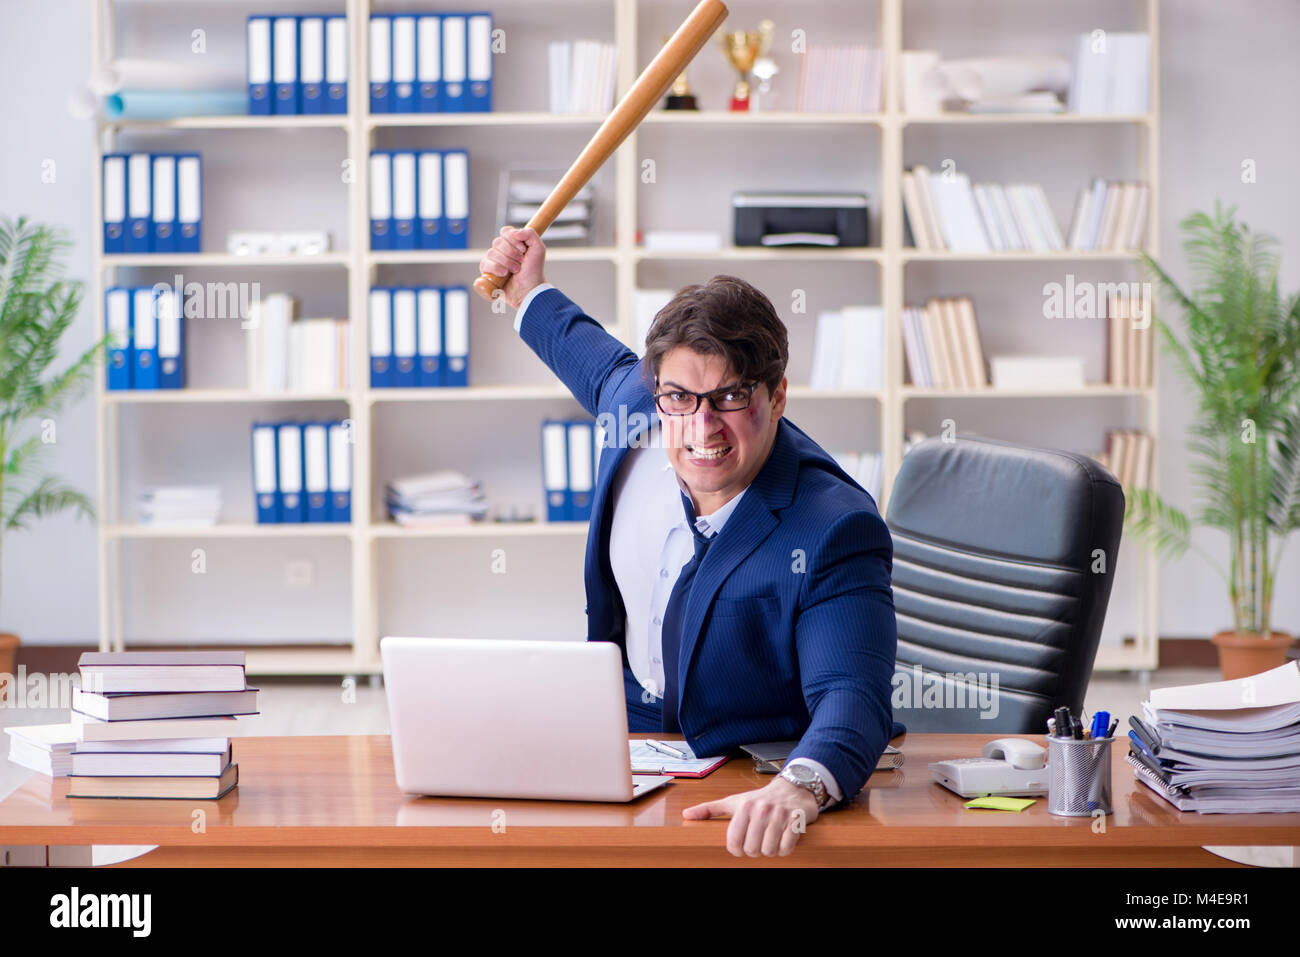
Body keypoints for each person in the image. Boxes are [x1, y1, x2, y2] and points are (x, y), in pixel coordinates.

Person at [479, 226, 897, 857]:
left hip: (743, 772)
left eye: (730, 396)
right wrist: (526, 288)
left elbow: (852, 695)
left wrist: (802, 786)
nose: (702, 426)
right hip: (622, 742)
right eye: (680, 397)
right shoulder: (637, 409)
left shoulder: (833, 528)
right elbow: (583, 350)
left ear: (777, 394)